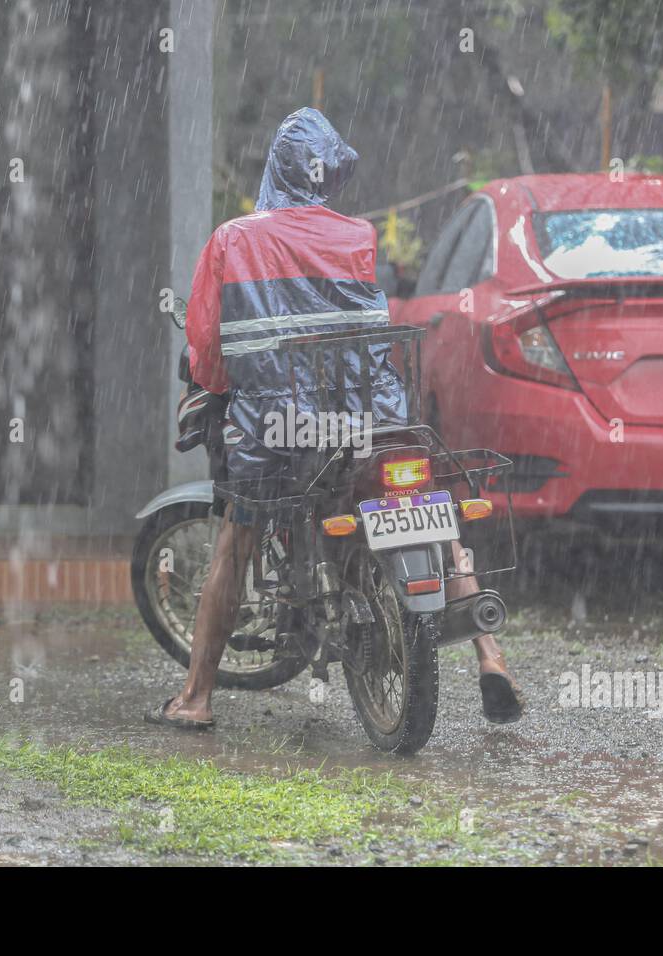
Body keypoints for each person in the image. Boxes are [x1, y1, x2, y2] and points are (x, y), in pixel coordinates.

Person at [146, 108, 522, 731]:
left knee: (235, 544)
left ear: (277, 168)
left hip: (278, 427)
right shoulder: (356, 236)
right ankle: (491, 654)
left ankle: (196, 699)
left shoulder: (234, 239)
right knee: (434, 513)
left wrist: (213, 384)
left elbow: (208, 343)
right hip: (371, 416)